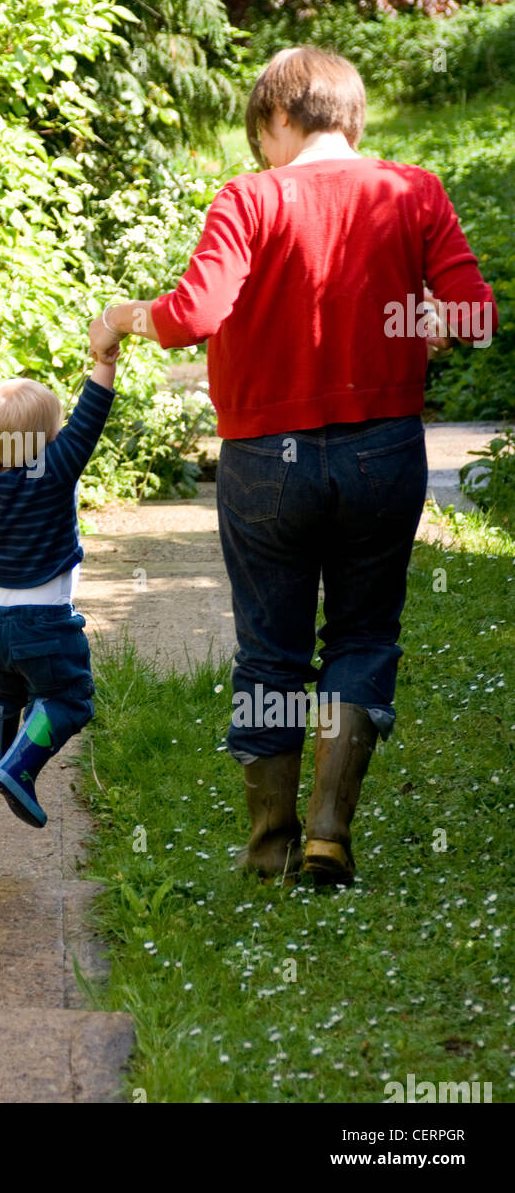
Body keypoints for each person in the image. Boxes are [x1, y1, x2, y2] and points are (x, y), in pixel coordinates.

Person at [88, 45, 497, 884]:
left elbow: (194, 313)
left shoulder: (250, 197)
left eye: (260, 136)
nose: (262, 153)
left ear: (278, 119)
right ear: (347, 114)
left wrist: (121, 317)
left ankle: (268, 848)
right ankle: (328, 834)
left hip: (264, 460)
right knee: (361, 633)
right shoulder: (411, 191)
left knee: (269, 653)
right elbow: (472, 318)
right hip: (382, 449)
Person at [0, 345, 117, 827]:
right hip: (44, 626)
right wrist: (106, 359)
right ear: (51, 437)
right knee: (69, 698)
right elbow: (91, 416)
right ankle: (18, 767)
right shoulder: (56, 469)